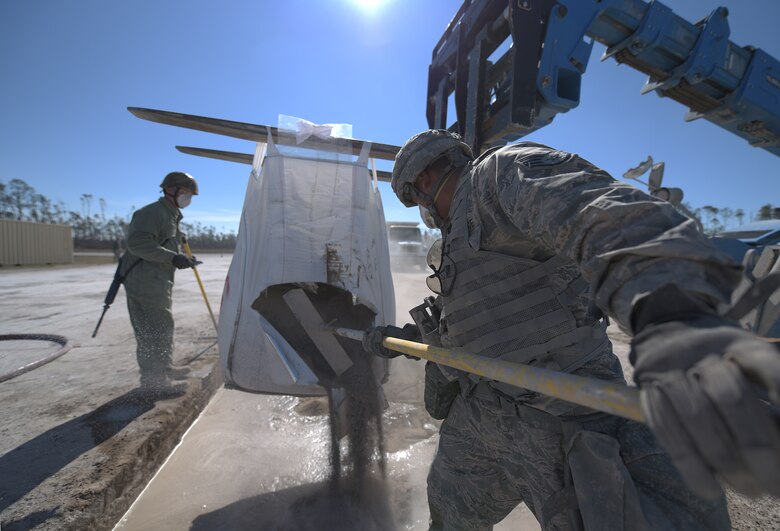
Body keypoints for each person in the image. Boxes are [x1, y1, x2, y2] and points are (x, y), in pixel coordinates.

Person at [363, 130, 780, 530]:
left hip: (566, 409)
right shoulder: (456, 236)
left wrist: (678, 324)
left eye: (416, 201)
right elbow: (468, 319)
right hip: (482, 413)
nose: (425, 213)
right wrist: (405, 340)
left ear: (423, 180)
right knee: (451, 512)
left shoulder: (498, 176)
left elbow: (611, 219)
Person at [121, 171, 200, 399]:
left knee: (162, 325)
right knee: (153, 329)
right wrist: (173, 258)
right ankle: (154, 383)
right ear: (171, 190)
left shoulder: (171, 215)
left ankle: (164, 369)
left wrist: (183, 257)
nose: (188, 198)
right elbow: (138, 244)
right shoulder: (152, 213)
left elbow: (166, 243)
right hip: (145, 281)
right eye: (186, 193)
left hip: (158, 280)